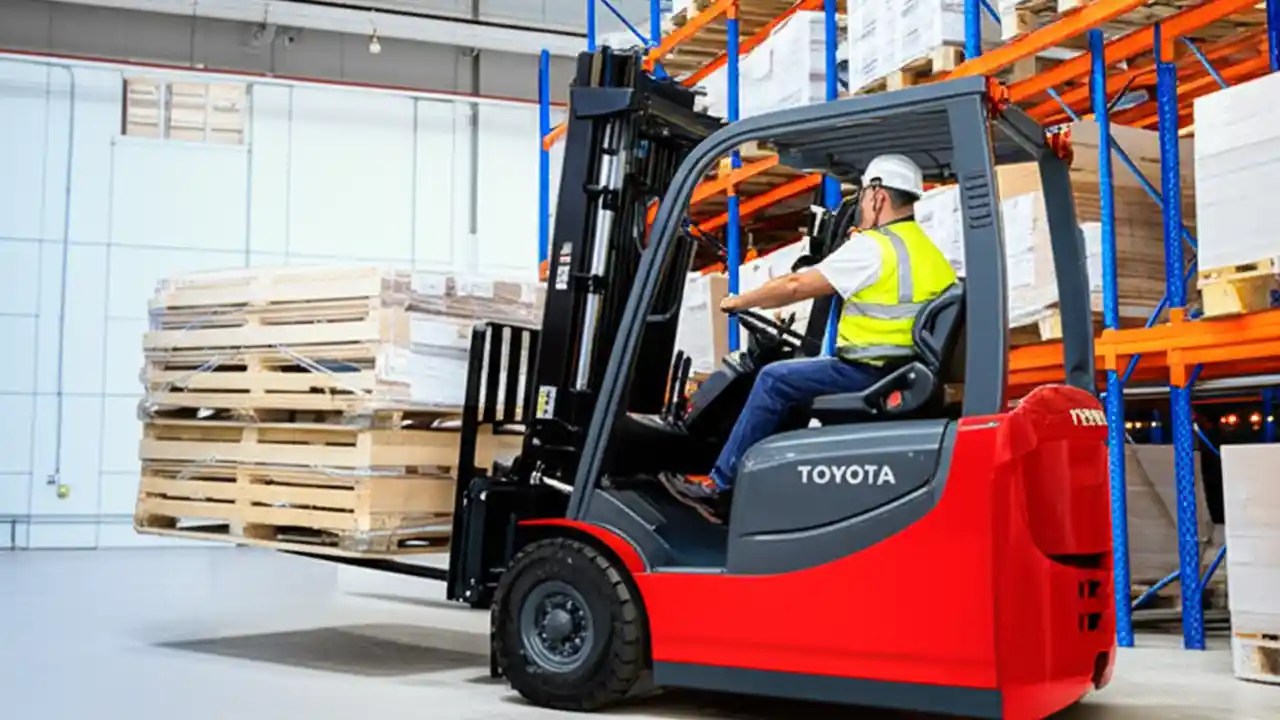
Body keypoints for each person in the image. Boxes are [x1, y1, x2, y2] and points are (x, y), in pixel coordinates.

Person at [661, 154, 958, 522]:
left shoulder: (874, 248)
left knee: (774, 379)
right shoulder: (928, 252)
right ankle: (769, 487)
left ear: (878, 196)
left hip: (869, 373)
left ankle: (720, 489)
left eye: (864, 195)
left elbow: (795, 284)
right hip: (898, 368)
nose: (862, 204)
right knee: (796, 377)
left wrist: (738, 300)